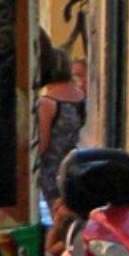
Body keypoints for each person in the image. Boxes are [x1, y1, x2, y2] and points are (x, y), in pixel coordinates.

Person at [35, 29, 88, 220]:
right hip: (79, 167)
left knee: (59, 221)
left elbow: (41, 145)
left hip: (53, 174)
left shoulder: (47, 103)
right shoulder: (82, 98)